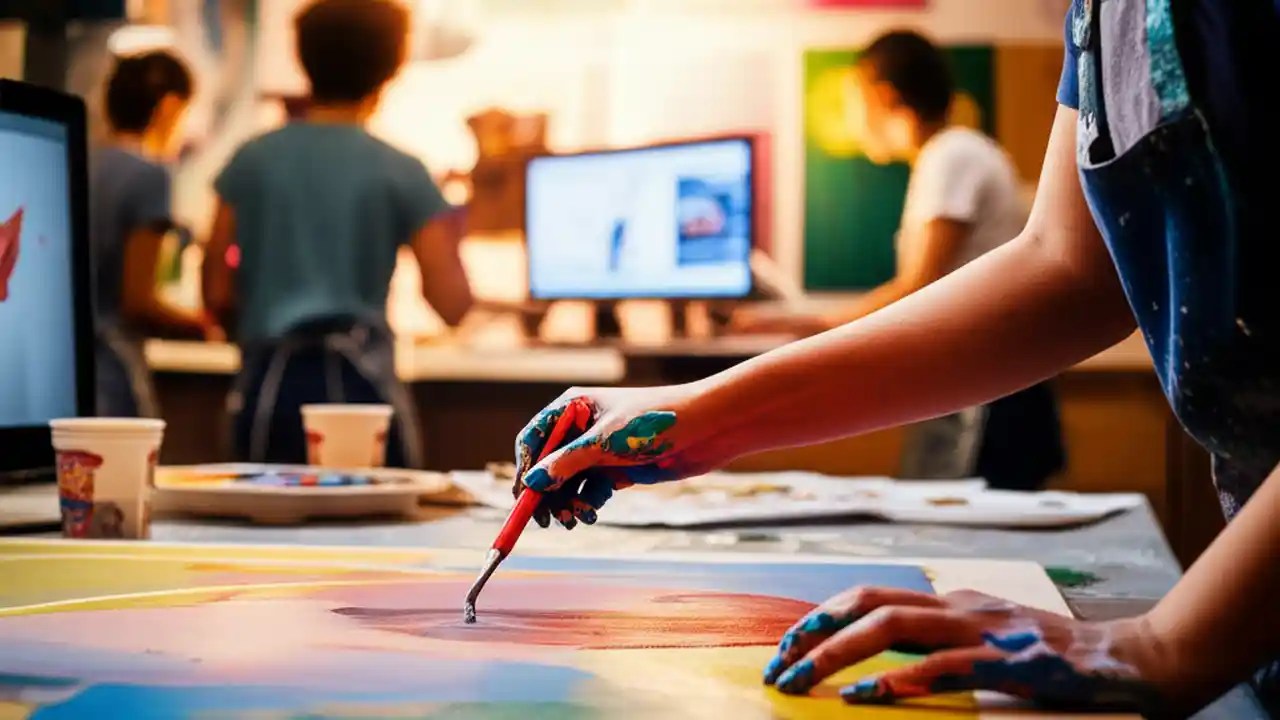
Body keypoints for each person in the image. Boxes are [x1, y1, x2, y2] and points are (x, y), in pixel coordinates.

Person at [508, 0, 1280, 715]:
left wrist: (1170, 642)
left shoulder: (950, 155)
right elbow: (1069, 265)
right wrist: (701, 412)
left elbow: (945, 277)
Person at [749, 31, 1066, 490]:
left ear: (881, 97)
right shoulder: (952, 154)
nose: (853, 120)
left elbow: (918, 287)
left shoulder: (951, 156)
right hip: (985, 383)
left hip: (989, 398)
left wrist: (811, 325)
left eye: (853, 102)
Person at [202, 0, 473, 468]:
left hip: (268, 391)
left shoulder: (253, 158)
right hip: (362, 400)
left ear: (303, 58)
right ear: (392, 67)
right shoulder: (401, 170)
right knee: (373, 515)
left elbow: (215, 289)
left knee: (260, 511)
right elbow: (452, 301)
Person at [91, 52, 220, 418]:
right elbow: (139, 299)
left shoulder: (86, 159)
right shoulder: (149, 175)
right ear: (169, 107)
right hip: (110, 359)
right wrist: (202, 324)